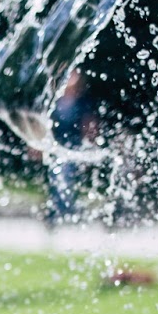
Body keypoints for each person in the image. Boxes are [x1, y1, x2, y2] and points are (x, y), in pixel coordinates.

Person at [45, 68, 98, 223]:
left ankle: (64, 211)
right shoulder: (56, 102)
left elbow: (89, 127)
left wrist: (89, 147)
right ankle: (60, 210)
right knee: (57, 175)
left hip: (74, 148)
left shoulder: (82, 103)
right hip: (56, 147)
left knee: (63, 173)